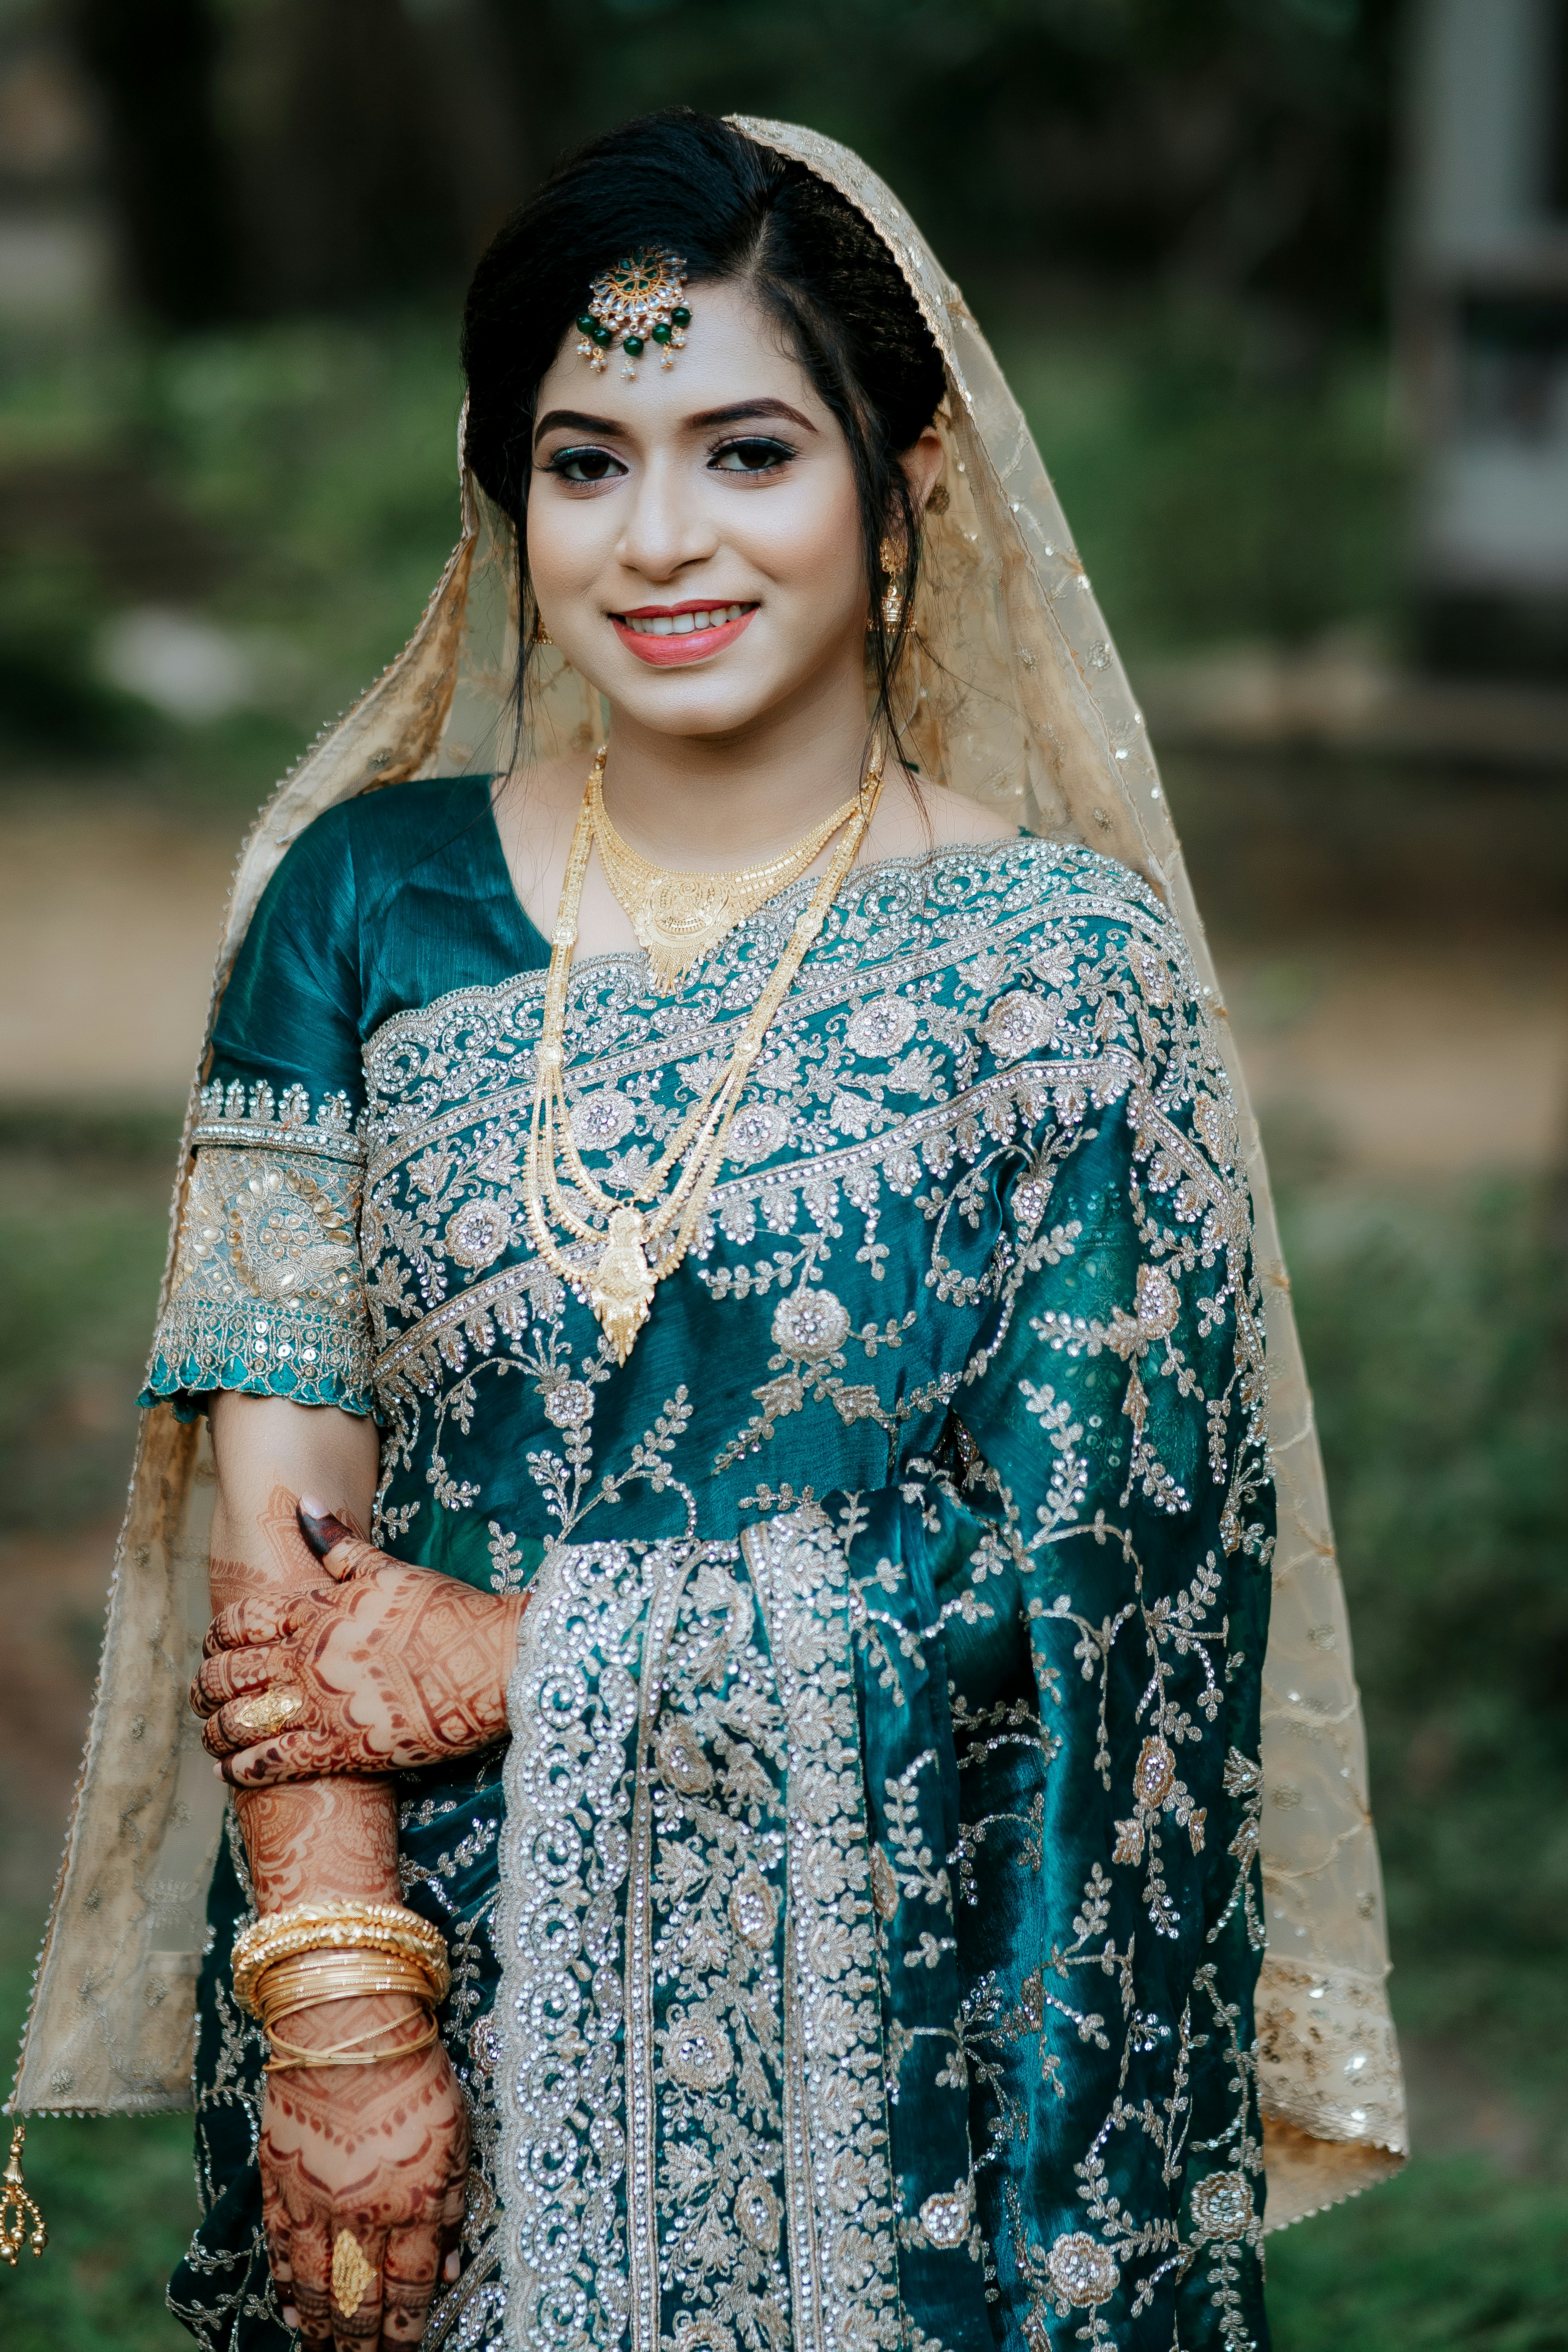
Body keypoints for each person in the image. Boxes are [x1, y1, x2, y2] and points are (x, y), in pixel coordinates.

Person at [8, 110, 1406, 2352]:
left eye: (747, 452)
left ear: (907, 474)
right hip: (452, 2025)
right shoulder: (363, 909)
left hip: (933, 2095)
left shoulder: (1062, 977)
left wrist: (536, 1654)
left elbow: (1098, 1574)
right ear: (511, 499)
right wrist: (347, 2022)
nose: (661, 540)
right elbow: (288, 1571)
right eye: (585, 462)